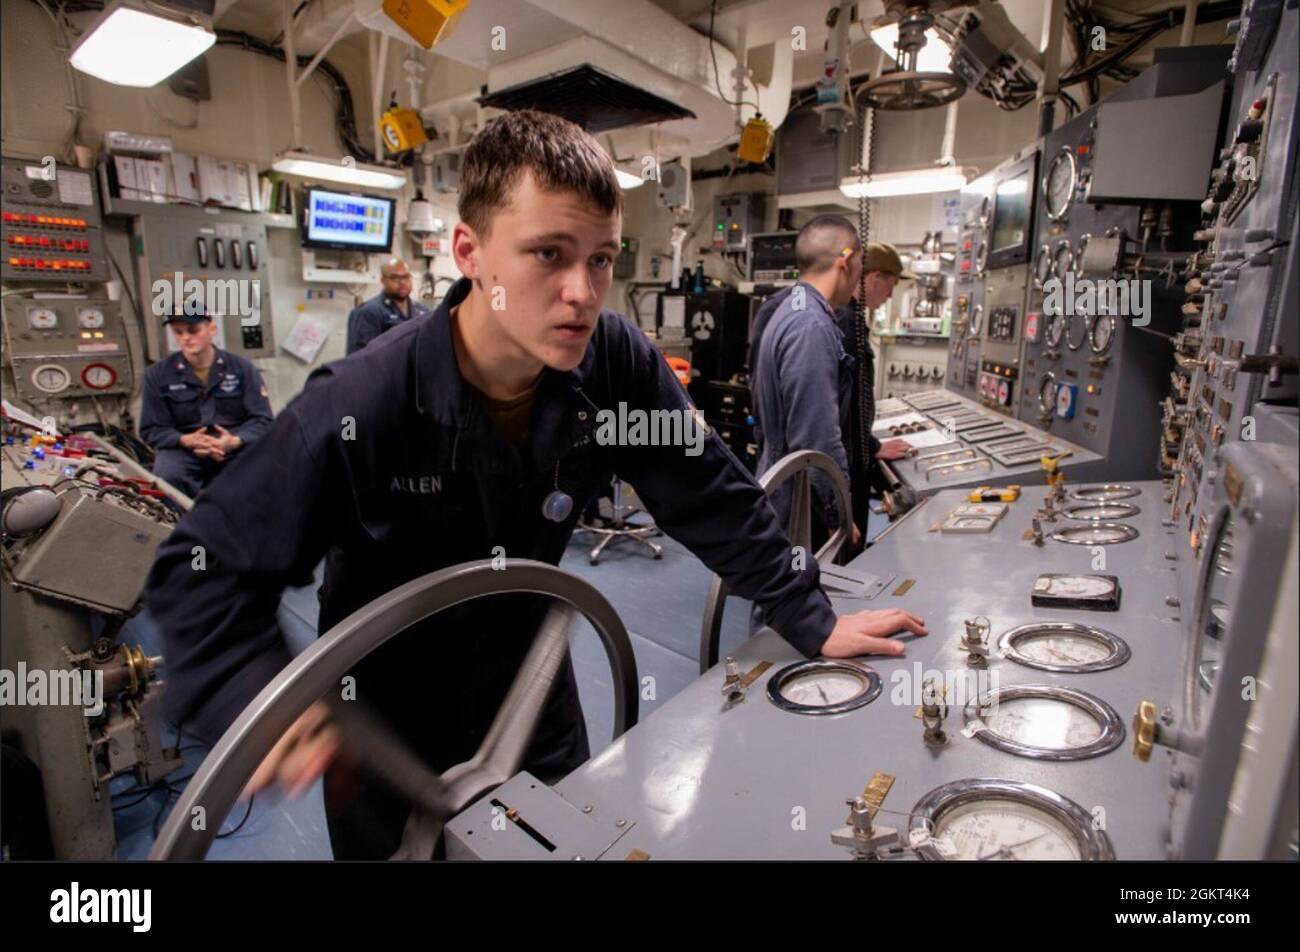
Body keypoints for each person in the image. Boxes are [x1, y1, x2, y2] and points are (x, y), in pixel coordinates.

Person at [143, 109, 928, 859]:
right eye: (548, 254)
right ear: (469, 251)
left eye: (601, 258)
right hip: (386, 721)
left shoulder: (612, 362)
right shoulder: (363, 405)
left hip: (530, 688)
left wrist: (807, 611)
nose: (583, 292)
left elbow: (707, 488)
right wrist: (264, 701)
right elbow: (200, 571)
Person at [749, 238, 914, 555]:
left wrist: (871, 447)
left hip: (792, 474)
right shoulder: (822, 323)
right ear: (863, 272)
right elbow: (819, 426)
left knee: (791, 578)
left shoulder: (787, 306)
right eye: (890, 284)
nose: (891, 294)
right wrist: (837, 512)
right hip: (809, 485)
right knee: (813, 576)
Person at [137, 307, 273, 497]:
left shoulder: (242, 368)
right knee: (167, 477)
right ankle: (185, 524)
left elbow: (263, 420)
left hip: (235, 445)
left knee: (269, 471)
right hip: (184, 449)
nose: (186, 338)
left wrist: (234, 441)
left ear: (212, 329)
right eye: (178, 332)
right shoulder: (158, 375)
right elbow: (151, 429)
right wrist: (186, 440)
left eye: (193, 330)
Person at [345, 258, 433, 353]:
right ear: (383, 280)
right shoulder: (368, 312)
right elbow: (359, 358)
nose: (402, 282)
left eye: (406, 277)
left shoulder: (423, 312)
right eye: (394, 278)